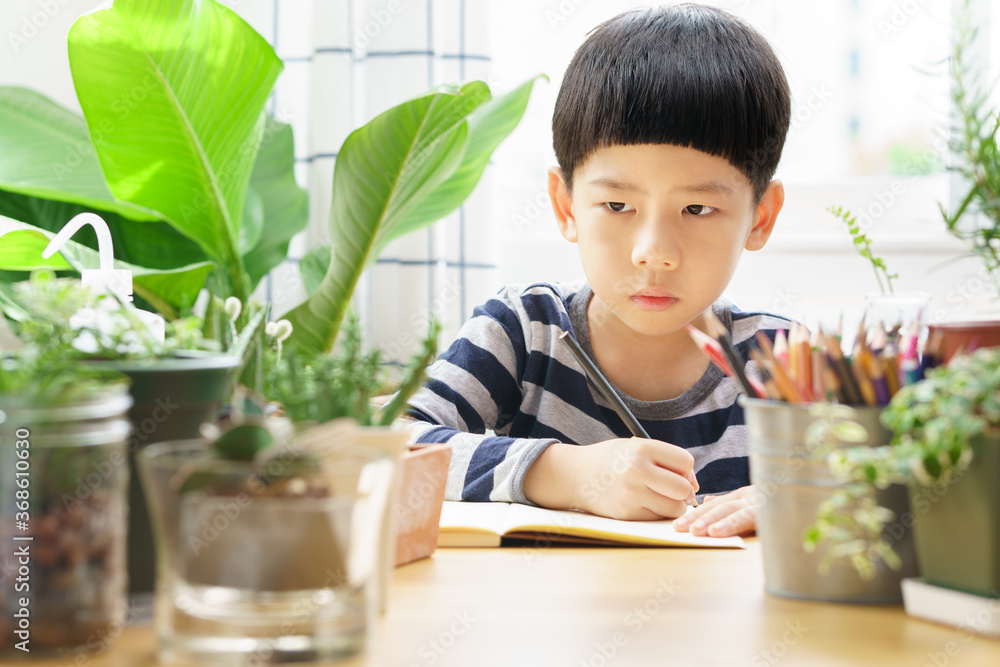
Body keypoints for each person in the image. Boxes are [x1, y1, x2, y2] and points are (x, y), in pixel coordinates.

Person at [405, 4, 793, 538]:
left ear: (760, 217)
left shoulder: (786, 362)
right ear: (566, 206)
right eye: (617, 207)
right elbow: (389, 445)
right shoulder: (524, 332)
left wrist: (797, 497)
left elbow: (891, 477)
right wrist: (563, 472)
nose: (653, 253)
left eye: (697, 210)